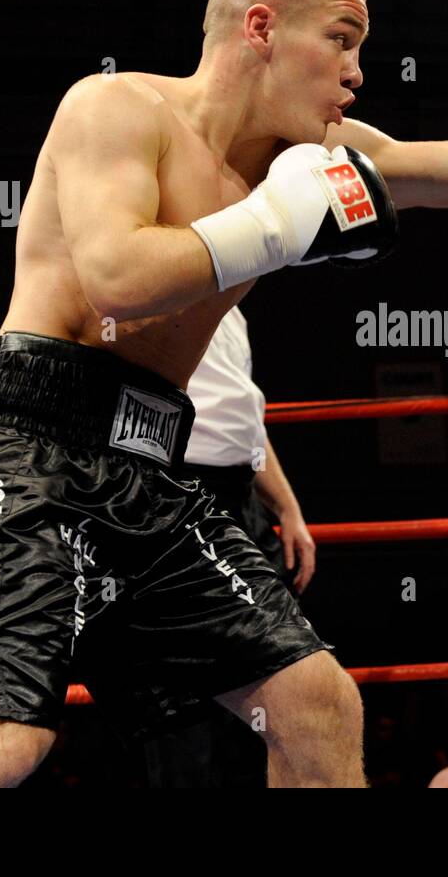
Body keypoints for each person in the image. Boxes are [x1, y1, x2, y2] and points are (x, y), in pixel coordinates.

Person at [0, 0, 396, 788]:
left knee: (316, 699)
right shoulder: (119, 106)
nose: (357, 72)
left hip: (149, 469)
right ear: (261, 28)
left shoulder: (303, 157)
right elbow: (117, 280)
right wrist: (275, 227)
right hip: (30, 440)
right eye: (342, 39)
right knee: (2, 741)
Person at [146, 305, 316, 787]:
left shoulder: (233, 307)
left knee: (279, 677)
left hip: (242, 500)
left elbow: (244, 422)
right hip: (173, 491)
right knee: (185, 697)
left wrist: (288, 509)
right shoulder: (140, 290)